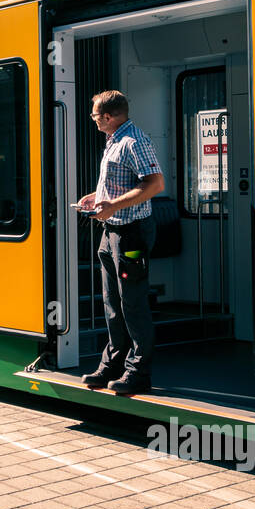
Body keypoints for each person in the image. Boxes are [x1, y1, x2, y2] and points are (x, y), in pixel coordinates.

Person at [77, 90, 165, 395]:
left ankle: (138, 372)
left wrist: (113, 205)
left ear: (108, 116)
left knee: (133, 304)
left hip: (132, 233)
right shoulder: (114, 140)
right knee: (112, 303)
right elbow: (121, 184)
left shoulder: (133, 141)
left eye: (94, 116)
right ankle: (112, 364)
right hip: (111, 231)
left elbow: (154, 184)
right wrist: (98, 198)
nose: (93, 120)